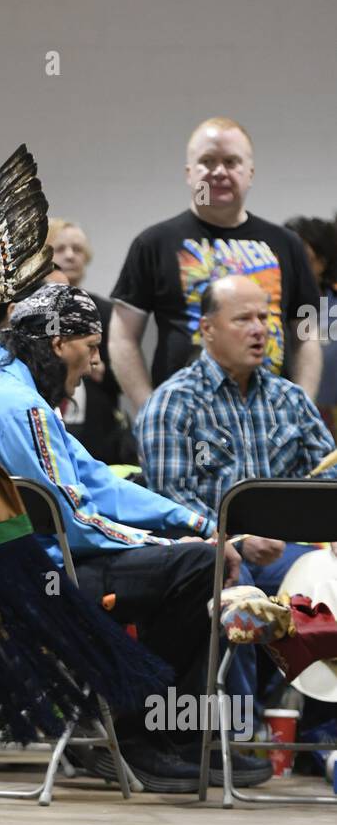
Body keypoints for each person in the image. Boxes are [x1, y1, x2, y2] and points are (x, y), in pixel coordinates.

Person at [0, 281, 271, 792]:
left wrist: (199, 525)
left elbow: (98, 481)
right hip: (40, 581)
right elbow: (75, 520)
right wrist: (176, 547)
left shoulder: (4, 385)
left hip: (26, 569)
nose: (95, 365)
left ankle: (184, 736)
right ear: (57, 343)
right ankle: (144, 735)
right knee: (197, 570)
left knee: (196, 557)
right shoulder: (18, 405)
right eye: (91, 348)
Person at [135, 275, 337, 596]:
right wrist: (237, 540)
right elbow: (171, 499)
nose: (259, 329)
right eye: (243, 319)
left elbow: (328, 477)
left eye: (263, 317)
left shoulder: (290, 398)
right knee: (234, 585)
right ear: (208, 328)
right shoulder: (172, 402)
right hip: (209, 551)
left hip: (287, 550)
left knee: (327, 572)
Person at [109, 117, 321, 411]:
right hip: (185, 422)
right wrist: (149, 411)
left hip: (271, 422)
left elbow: (306, 334)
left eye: (232, 161)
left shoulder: (286, 243)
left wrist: (302, 406)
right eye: (207, 161)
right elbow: (122, 337)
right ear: (189, 173)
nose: (219, 171)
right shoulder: (154, 243)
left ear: (250, 173)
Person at [47, 218, 136, 464]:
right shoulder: (32, 309)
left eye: (77, 249)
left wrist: (98, 367)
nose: (70, 256)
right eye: (61, 248)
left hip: (97, 427)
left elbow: (122, 376)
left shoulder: (105, 310)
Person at [285, 215, 337, 439]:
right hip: (284, 418)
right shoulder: (270, 307)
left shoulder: (332, 303)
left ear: (323, 261)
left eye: (303, 258)